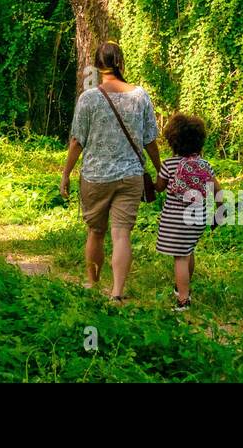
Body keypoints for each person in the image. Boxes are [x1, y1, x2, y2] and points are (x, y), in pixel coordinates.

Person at [60, 42, 164, 302]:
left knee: (96, 232)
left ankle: (93, 284)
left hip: (96, 177)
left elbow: (77, 141)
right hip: (130, 176)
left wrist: (66, 174)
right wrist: (160, 170)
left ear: (97, 66)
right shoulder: (140, 95)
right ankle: (117, 292)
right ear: (121, 63)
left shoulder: (89, 97)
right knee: (121, 234)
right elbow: (150, 140)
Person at [155, 112, 219, 311]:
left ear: (173, 141)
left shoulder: (169, 165)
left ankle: (183, 299)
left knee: (180, 258)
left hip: (177, 220)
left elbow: (159, 187)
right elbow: (218, 191)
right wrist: (220, 212)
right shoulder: (205, 165)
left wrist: (148, 182)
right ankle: (184, 287)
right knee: (188, 250)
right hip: (197, 219)